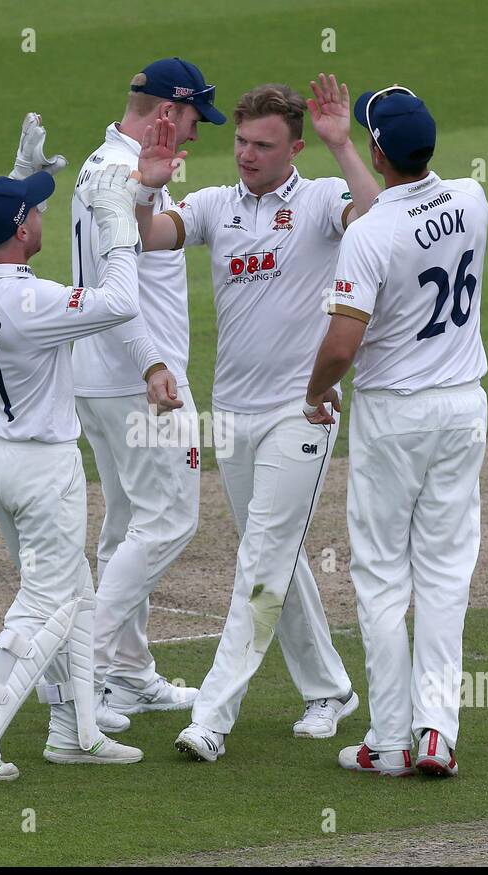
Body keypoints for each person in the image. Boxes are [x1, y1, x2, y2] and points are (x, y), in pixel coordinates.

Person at [134, 77, 381, 761]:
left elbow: (381, 218)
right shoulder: (215, 204)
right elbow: (147, 236)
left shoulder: (323, 198)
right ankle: (330, 689)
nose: (247, 154)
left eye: (262, 145)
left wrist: (344, 147)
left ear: (294, 146)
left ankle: (211, 719)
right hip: (232, 415)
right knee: (275, 554)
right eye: (241, 141)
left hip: (303, 408)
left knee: (260, 560)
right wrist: (147, 185)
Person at [0, 160, 161, 780]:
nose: (43, 216)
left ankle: (75, 730)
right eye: (33, 208)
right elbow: (118, 302)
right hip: (44, 469)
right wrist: (119, 221)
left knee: (76, 594)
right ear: (20, 230)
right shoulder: (29, 299)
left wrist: (15, 174)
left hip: (2, 461)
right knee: (46, 602)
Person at [304, 87, 488, 778]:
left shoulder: (370, 233)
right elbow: (405, 211)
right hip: (463, 406)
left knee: (382, 575)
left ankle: (387, 742)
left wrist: (315, 390)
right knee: (444, 574)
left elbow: (343, 346)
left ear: (379, 152)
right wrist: (343, 145)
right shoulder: (472, 198)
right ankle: (437, 731)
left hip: (393, 414)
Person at [70, 58, 226, 729]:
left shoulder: (107, 165)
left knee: (130, 524)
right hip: (138, 381)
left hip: (103, 379)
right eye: (194, 118)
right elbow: (117, 287)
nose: (197, 133)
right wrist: (151, 364)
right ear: (168, 109)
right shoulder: (117, 173)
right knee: (169, 521)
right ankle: (81, 666)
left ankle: (125, 675)